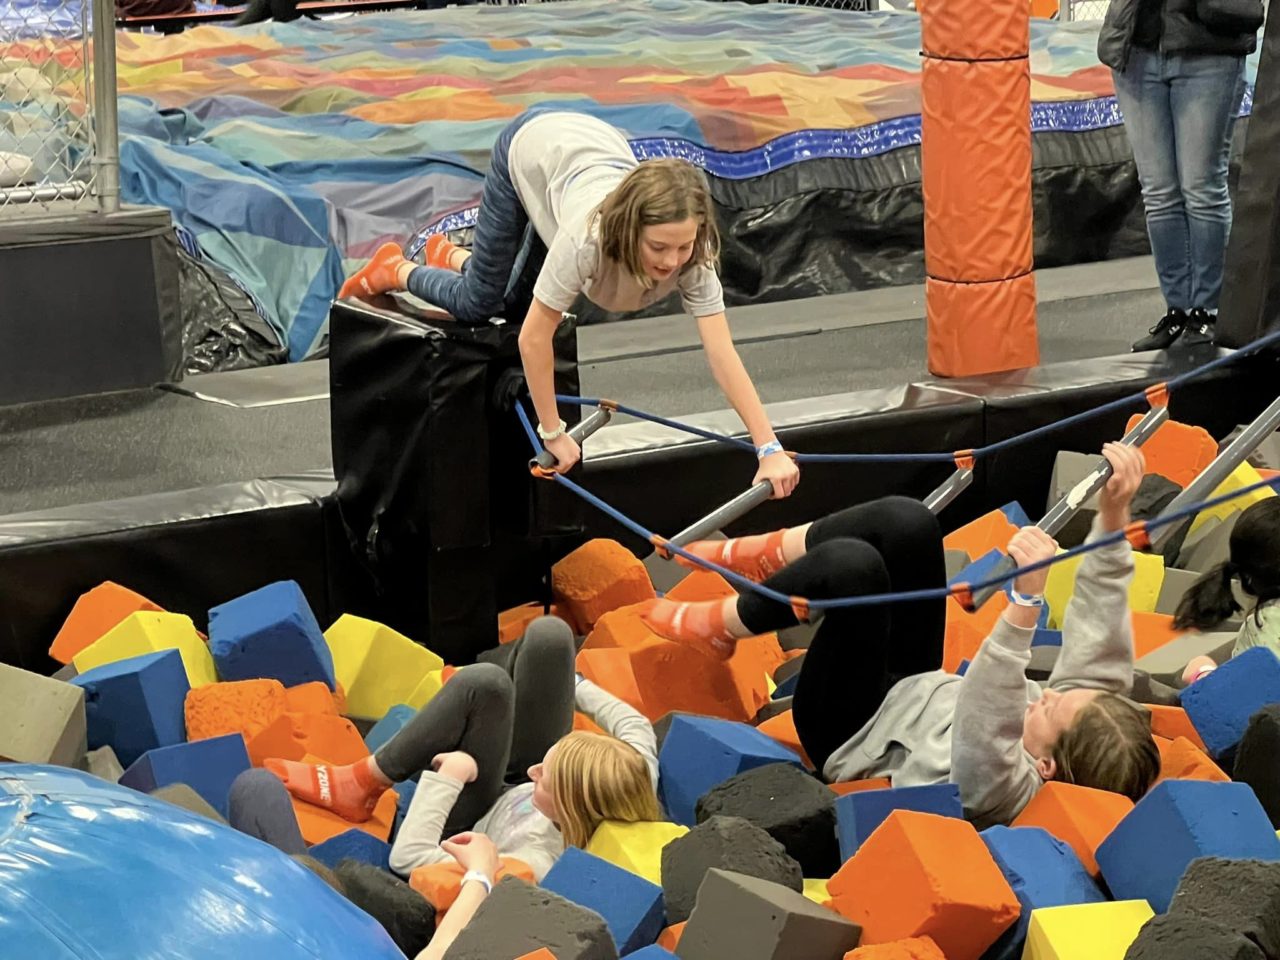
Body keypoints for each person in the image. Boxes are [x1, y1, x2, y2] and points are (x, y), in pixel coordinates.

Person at [640, 443, 1161, 826]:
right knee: (908, 523)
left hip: (849, 726)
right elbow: (1100, 634)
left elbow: (986, 711)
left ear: (1045, 766)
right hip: (914, 683)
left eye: (1050, 710)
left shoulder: (1003, 789)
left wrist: (1025, 600)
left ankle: (724, 627)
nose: (1046, 695)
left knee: (853, 567)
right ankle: (763, 553)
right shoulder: (1078, 720)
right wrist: (1113, 514)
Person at [338, 108, 800, 498]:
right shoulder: (586, 241)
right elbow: (533, 337)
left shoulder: (693, 258)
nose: (671, 261)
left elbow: (721, 351)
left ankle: (458, 257)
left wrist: (768, 447)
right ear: (629, 228)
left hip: (584, 148)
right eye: (658, 247)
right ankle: (395, 267)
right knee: (480, 303)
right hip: (531, 148)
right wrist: (552, 432)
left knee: (517, 298)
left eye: (682, 247)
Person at [265, 616, 660, 881]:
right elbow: (635, 725)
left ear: (572, 808)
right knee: (551, 636)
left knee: (484, 684)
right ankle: (492, 694)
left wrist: (448, 778)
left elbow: (410, 858)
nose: (535, 770)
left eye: (545, 777)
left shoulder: (533, 861)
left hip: (472, 809)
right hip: (516, 787)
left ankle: (362, 782)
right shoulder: (630, 773)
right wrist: (569, 683)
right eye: (547, 762)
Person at [1098, 0, 1262, 352]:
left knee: (1201, 187)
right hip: (1138, 50)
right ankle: (1179, 309)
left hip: (1208, 51)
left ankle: (1209, 310)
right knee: (1158, 193)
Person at [1173, 497, 1280, 685]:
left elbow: (1252, 698)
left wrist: (1204, 675)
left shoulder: (1268, 622)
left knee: (1197, 664)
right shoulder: (1269, 621)